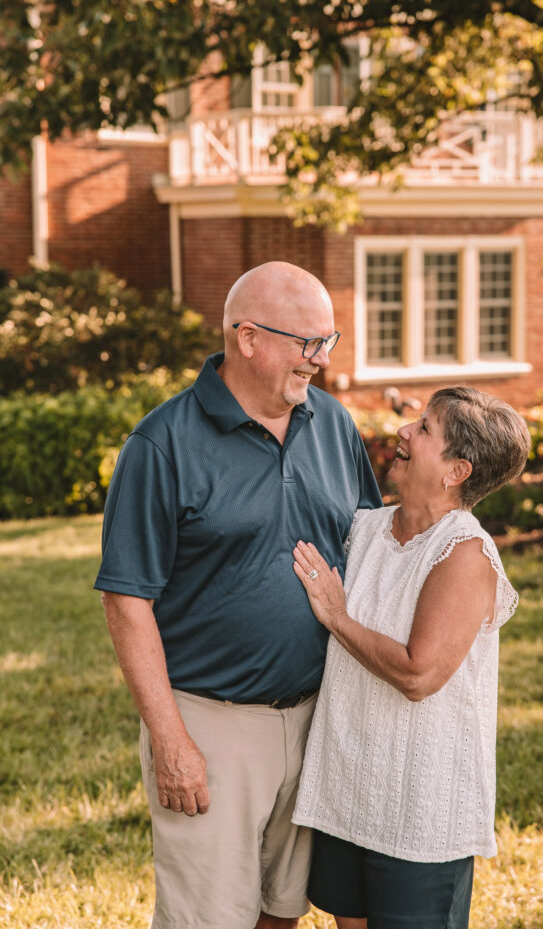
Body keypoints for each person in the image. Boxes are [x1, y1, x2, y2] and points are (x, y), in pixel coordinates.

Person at [93, 261, 382, 929]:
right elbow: (126, 599)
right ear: (247, 338)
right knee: (209, 918)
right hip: (210, 725)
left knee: (281, 909)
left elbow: (369, 546)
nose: (322, 359)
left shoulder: (332, 424)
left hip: (317, 714)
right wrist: (171, 741)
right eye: (306, 342)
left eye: (328, 341)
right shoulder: (162, 443)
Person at [291, 387, 531, 929]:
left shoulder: (464, 552)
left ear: (456, 471)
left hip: (421, 809)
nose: (403, 432)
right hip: (349, 785)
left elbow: (419, 673)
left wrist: (338, 618)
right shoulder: (368, 528)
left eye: (423, 430)